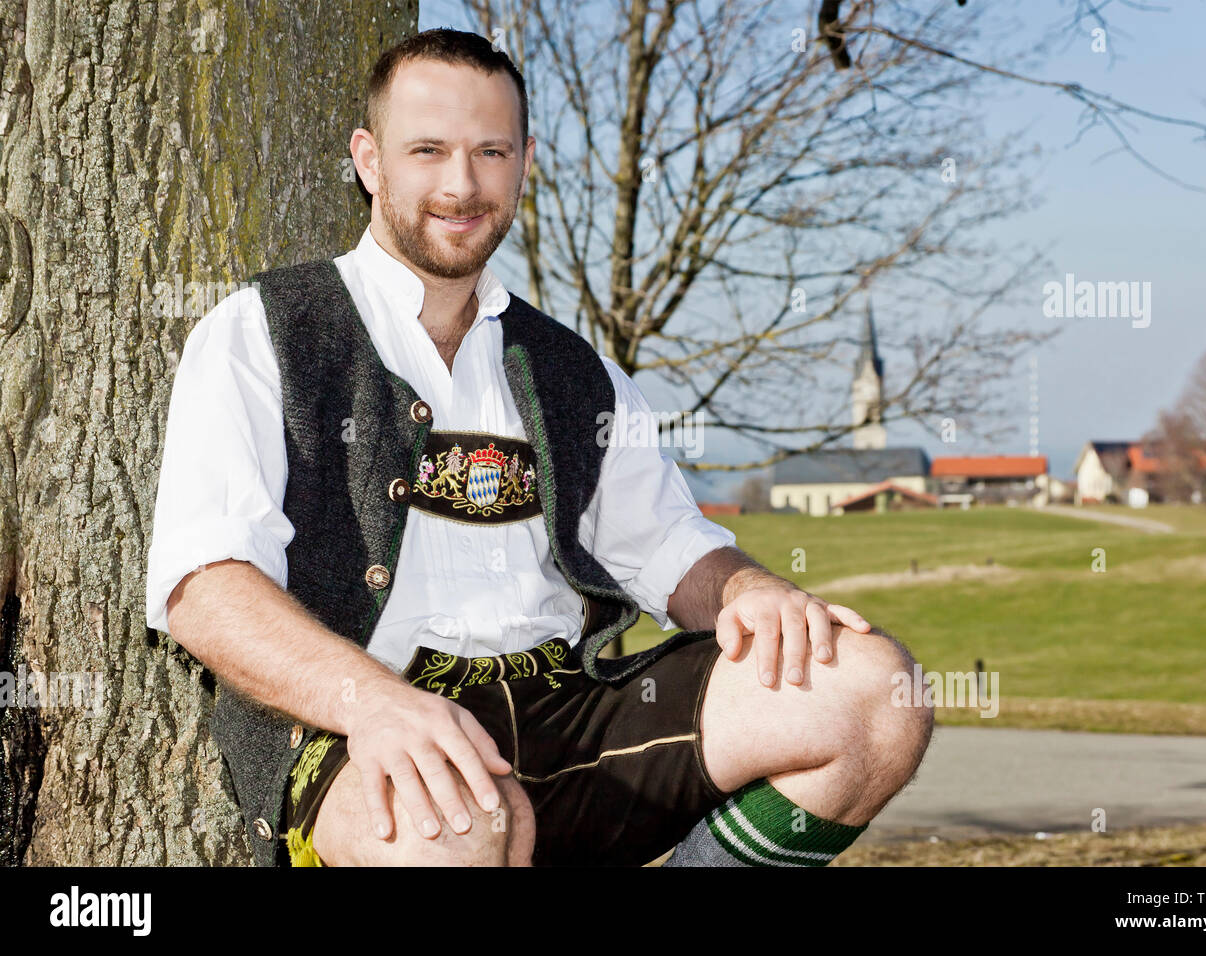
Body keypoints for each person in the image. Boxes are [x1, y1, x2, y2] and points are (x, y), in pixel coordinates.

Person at [145, 27, 934, 868]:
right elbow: (204, 585)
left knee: (878, 694)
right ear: (370, 161)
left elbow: (666, 545)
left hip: (570, 708)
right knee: (456, 834)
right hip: (364, 722)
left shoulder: (570, 368)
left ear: (523, 161)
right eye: (428, 150)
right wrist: (373, 702)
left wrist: (750, 591)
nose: (461, 184)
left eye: (490, 151)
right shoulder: (262, 333)